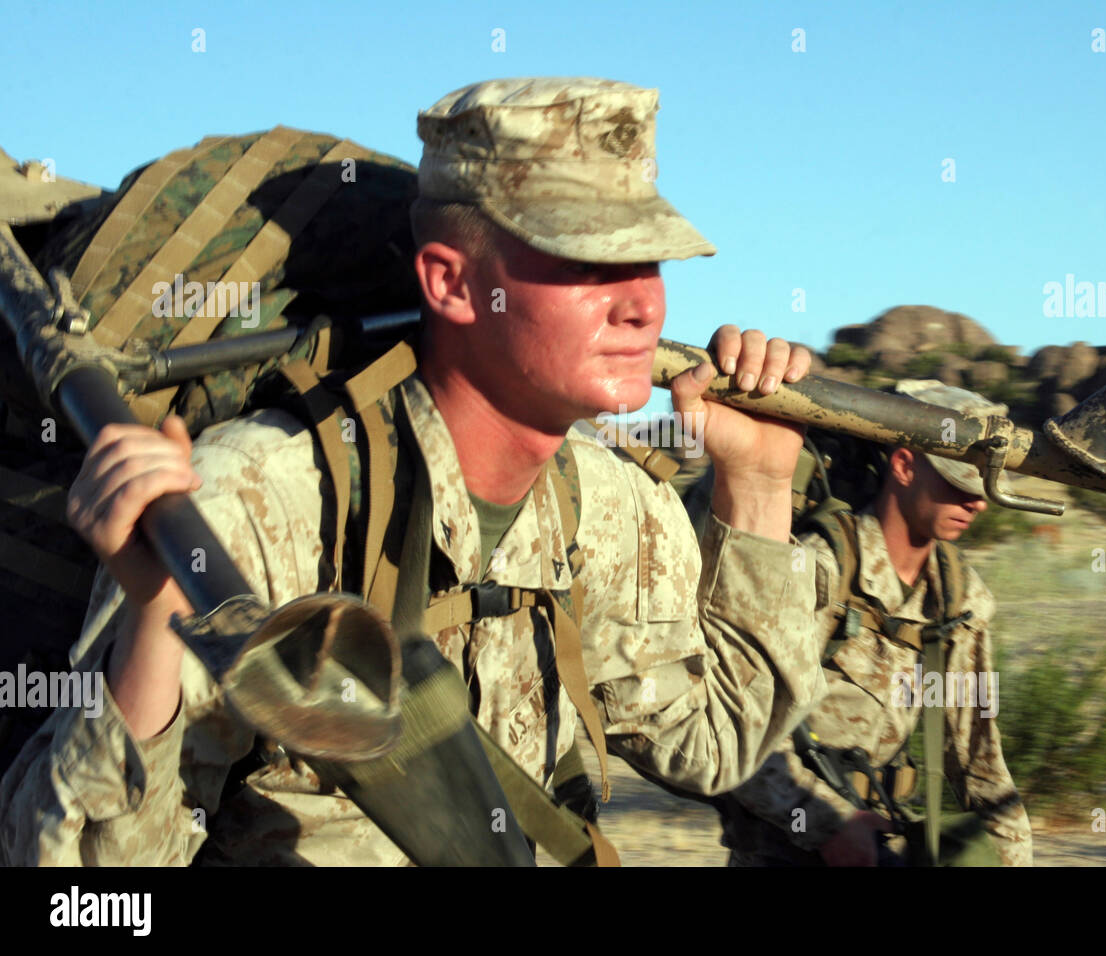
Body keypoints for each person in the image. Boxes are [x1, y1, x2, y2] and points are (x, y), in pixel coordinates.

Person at [0, 77, 827, 865]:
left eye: (647, 261)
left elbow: (714, 745)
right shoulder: (253, 500)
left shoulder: (613, 507)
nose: (645, 303)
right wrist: (155, 617)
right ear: (451, 282)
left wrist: (756, 485)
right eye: (585, 262)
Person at [713, 381, 1034, 867]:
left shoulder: (958, 598)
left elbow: (981, 764)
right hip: (780, 850)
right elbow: (736, 731)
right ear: (904, 466)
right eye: (960, 481)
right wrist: (828, 824)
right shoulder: (818, 572)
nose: (978, 501)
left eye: (985, 484)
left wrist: (1012, 857)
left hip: (879, 844)